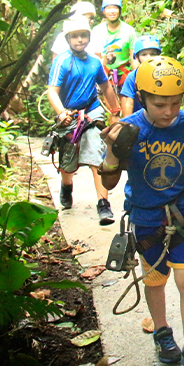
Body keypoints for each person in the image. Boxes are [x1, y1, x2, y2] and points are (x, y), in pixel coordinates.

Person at [100, 56, 184, 366]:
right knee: (155, 279)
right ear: (142, 99)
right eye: (160, 104)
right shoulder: (129, 131)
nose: (169, 112)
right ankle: (162, 331)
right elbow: (110, 182)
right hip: (147, 217)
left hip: (183, 211)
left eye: (175, 103)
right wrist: (113, 150)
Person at [46, 16, 122, 225]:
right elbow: (52, 91)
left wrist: (115, 110)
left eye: (83, 35)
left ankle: (103, 204)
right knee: (68, 161)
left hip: (92, 112)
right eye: (75, 36)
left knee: (97, 154)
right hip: (69, 115)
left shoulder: (95, 62)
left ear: (88, 37)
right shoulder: (62, 61)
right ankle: (66, 185)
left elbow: (105, 86)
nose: (79, 39)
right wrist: (62, 113)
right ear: (68, 38)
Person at [90, 0, 138, 90]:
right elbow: (94, 57)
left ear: (120, 11)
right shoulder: (96, 31)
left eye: (115, 8)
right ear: (104, 11)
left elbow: (134, 58)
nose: (112, 11)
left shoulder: (129, 31)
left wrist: (136, 78)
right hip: (103, 74)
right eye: (109, 8)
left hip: (124, 74)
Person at [120, 35, 163, 115]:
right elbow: (128, 103)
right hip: (138, 117)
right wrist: (127, 123)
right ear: (137, 57)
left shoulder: (164, 74)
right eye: (144, 55)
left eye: (153, 54)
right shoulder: (133, 77)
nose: (149, 58)